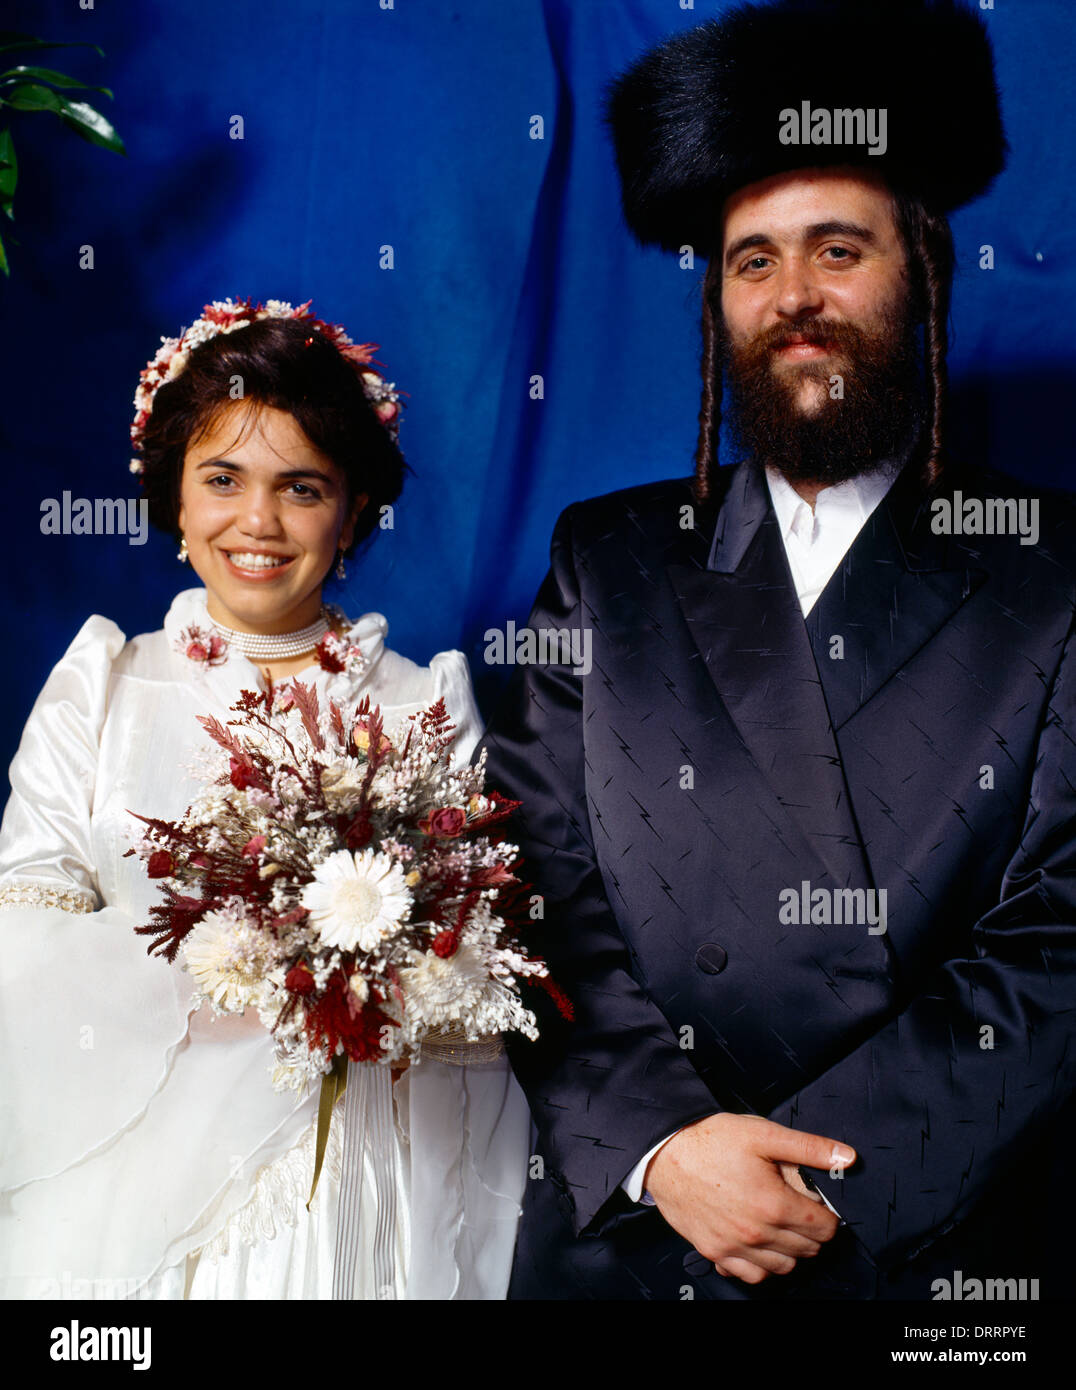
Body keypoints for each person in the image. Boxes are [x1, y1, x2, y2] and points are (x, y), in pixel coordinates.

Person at [478, 0, 1076, 1300]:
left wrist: (813, 1185)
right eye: (753, 261)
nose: (793, 295)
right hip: (633, 1232)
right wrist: (665, 1144)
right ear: (718, 304)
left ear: (922, 268)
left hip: (923, 1247)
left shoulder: (1053, 568)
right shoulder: (606, 557)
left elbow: (1063, 933)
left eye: (837, 248)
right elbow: (526, 884)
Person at [0, 298, 530, 1300]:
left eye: (300, 487)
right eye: (222, 480)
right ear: (173, 494)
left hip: (353, 1183)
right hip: (125, 1194)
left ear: (352, 507)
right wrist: (228, 963)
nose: (257, 522)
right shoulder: (106, 690)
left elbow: (472, 988)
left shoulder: (420, 702)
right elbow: (19, 951)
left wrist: (379, 970)